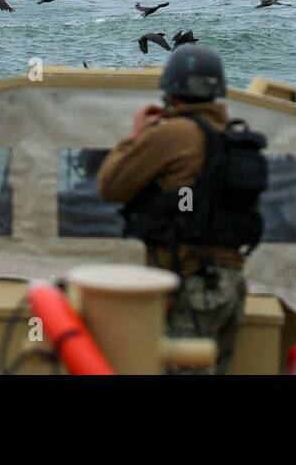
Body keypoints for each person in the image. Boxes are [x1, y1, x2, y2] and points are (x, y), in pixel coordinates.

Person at [97, 44, 266, 373]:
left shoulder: (175, 134)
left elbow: (111, 185)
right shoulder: (230, 136)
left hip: (190, 283)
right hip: (230, 283)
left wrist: (136, 136)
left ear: (170, 93)